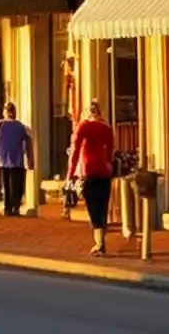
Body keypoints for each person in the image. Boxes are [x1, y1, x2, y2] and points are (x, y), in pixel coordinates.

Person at [67, 100, 115, 256]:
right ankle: (100, 241)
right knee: (102, 207)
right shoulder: (107, 129)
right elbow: (110, 152)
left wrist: (70, 174)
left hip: (89, 172)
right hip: (105, 172)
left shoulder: (84, 127)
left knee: (93, 208)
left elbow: (74, 152)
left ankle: (99, 243)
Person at [0, 102, 33, 216]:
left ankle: (7, 207)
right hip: (17, 159)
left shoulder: (0, 124)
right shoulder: (20, 126)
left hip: (3, 158)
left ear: (5, 112)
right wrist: (28, 159)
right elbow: (26, 142)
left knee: (6, 184)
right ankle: (15, 207)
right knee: (16, 183)